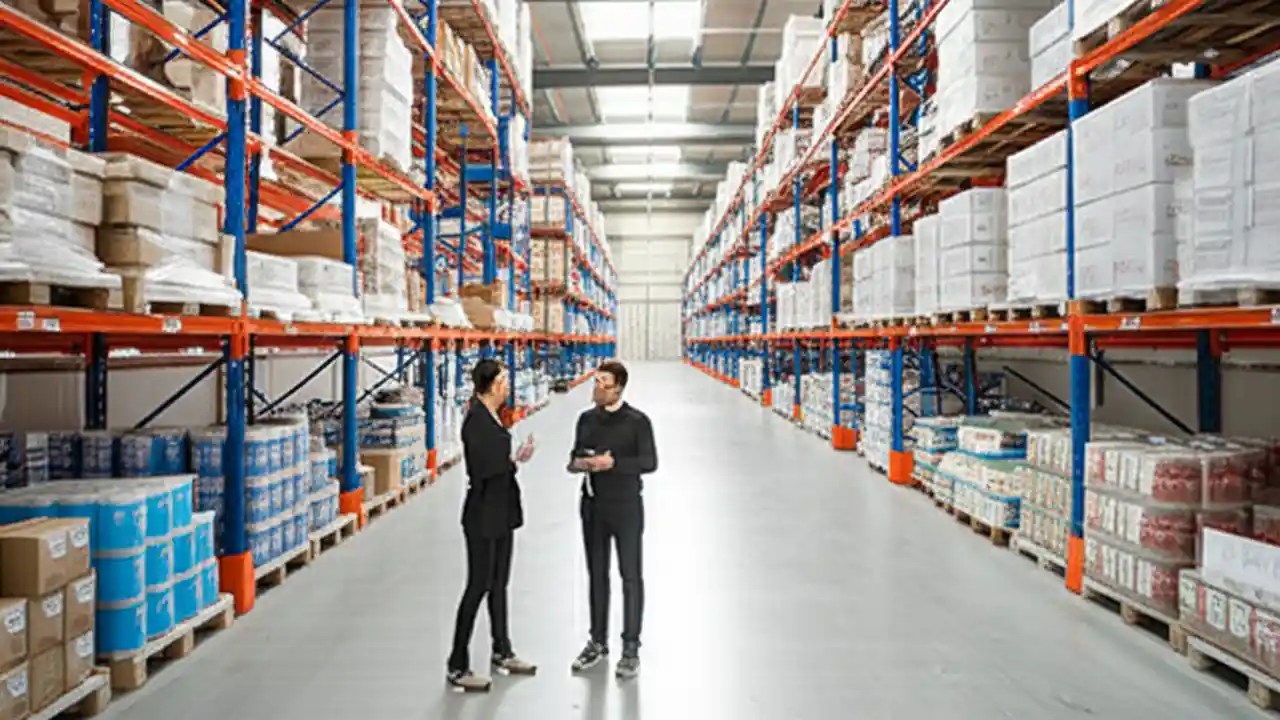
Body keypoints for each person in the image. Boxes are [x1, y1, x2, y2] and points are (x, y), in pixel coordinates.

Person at [446, 359, 537, 692]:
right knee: (478, 586)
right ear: (492, 384)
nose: (508, 385)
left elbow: (498, 462)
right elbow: (485, 468)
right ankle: (457, 664)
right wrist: (511, 460)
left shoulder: (492, 417)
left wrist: (514, 458)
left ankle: (503, 650)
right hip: (483, 514)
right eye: (503, 380)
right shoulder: (476, 421)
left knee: (499, 583)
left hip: (501, 511)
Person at [567, 361, 657, 679]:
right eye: (595, 381)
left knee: (630, 576)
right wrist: (583, 463)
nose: (596, 387)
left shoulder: (637, 422)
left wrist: (613, 463)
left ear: (617, 387)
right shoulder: (586, 420)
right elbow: (572, 460)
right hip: (593, 507)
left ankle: (630, 647)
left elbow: (649, 462)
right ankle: (597, 641)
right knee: (596, 574)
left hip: (626, 508)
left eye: (602, 382)